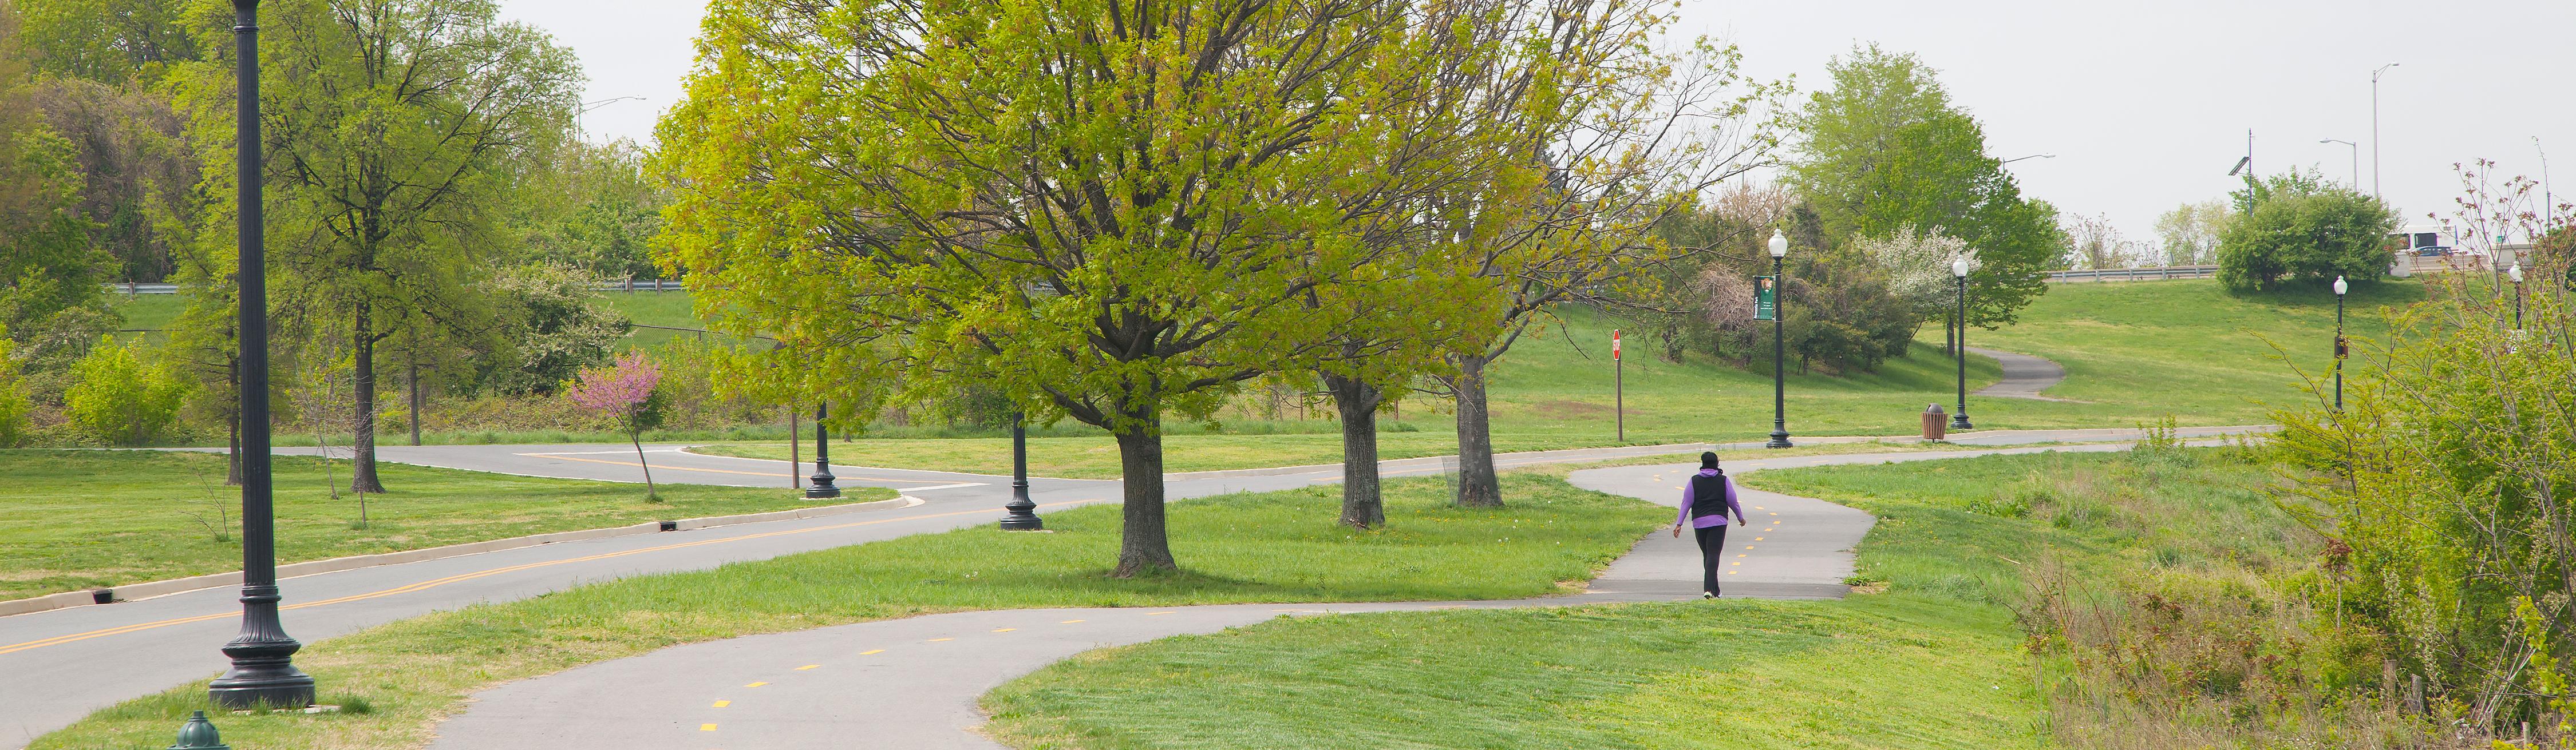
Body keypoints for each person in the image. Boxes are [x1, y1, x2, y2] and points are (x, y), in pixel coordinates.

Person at [1671, 451, 1750, 598]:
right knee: (1713, 555)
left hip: (1699, 522)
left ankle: (1716, 591)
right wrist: (1740, 518)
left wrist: (1679, 524)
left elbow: (1686, 503)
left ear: (1702, 464)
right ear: (1717, 464)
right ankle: (1708, 589)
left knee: (1708, 556)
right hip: (1719, 522)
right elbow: (1733, 501)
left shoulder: (1694, 481)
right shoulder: (1723, 481)